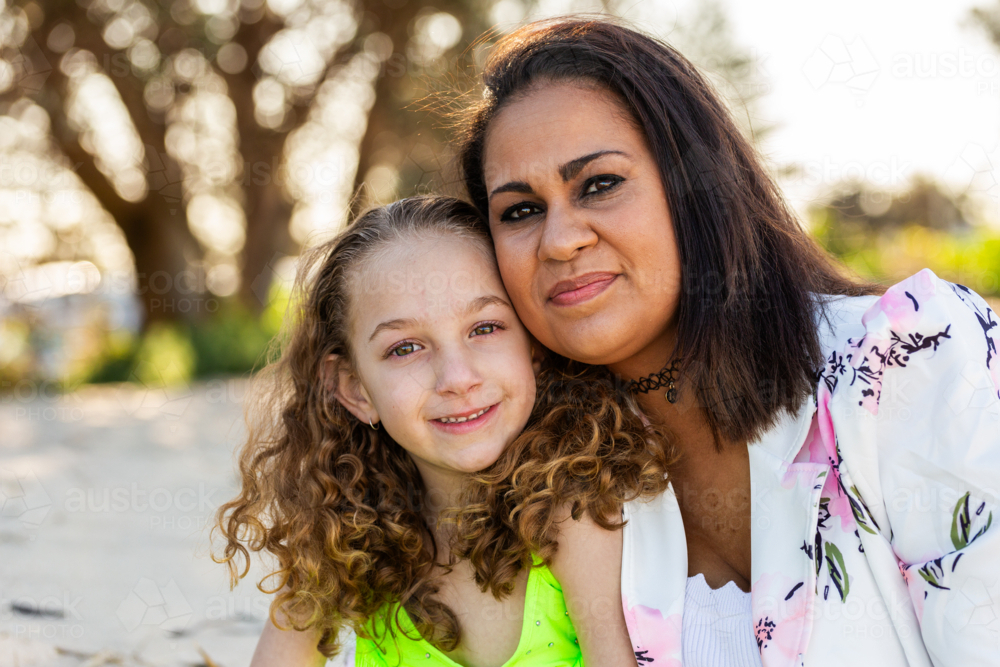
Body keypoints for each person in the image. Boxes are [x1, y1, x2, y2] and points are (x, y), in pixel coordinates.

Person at [456, 16, 1000, 667]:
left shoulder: (909, 360)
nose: (560, 240)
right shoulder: (540, 471)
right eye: (520, 211)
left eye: (599, 184)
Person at [212, 195, 669, 666]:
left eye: (485, 328)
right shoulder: (339, 538)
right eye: (405, 348)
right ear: (354, 388)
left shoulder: (573, 512)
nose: (457, 378)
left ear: (532, 345)